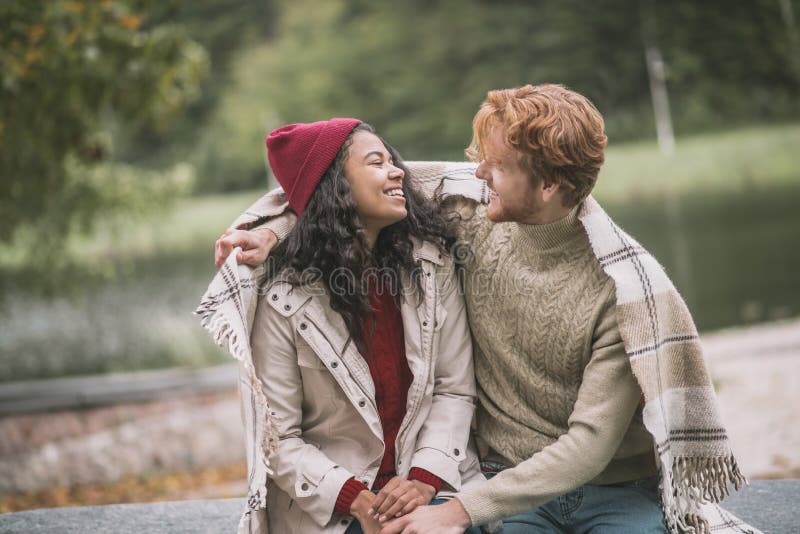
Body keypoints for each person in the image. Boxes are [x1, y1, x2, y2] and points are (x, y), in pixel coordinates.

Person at [214, 86, 758, 534]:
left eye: (495, 167)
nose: (477, 176)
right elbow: (345, 188)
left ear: (547, 185)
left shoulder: (625, 291)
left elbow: (587, 446)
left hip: (614, 488)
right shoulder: (473, 223)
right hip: (501, 483)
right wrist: (278, 230)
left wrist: (449, 506)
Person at [201, 118, 485, 534]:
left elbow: (454, 388)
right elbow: (278, 438)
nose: (398, 172)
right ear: (336, 186)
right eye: (376, 162)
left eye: (393, 160)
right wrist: (357, 500)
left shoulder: (430, 266)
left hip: (435, 483)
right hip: (333, 508)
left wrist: (423, 482)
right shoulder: (283, 299)